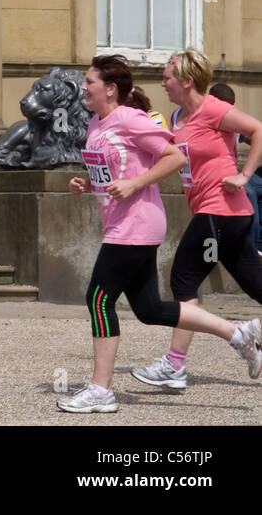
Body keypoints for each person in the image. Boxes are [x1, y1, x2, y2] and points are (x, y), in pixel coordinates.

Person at [57, 54, 259, 412]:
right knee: (149, 309)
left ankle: (101, 390)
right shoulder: (96, 124)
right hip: (122, 223)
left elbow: (173, 157)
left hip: (138, 224)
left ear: (110, 88)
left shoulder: (131, 119)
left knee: (99, 299)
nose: (84, 88)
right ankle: (238, 334)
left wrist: (134, 184)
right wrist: (88, 184)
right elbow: (115, 170)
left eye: (89, 82)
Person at [129, 49, 262, 391]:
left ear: (187, 81)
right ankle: (244, 339)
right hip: (225, 216)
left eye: (167, 77)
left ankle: (174, 366)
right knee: (256, 285)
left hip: (220, 211)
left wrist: (245, 174)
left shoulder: (213, 109)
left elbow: (257, 130)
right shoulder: (175, 118)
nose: (163, 82)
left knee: (183, 280)